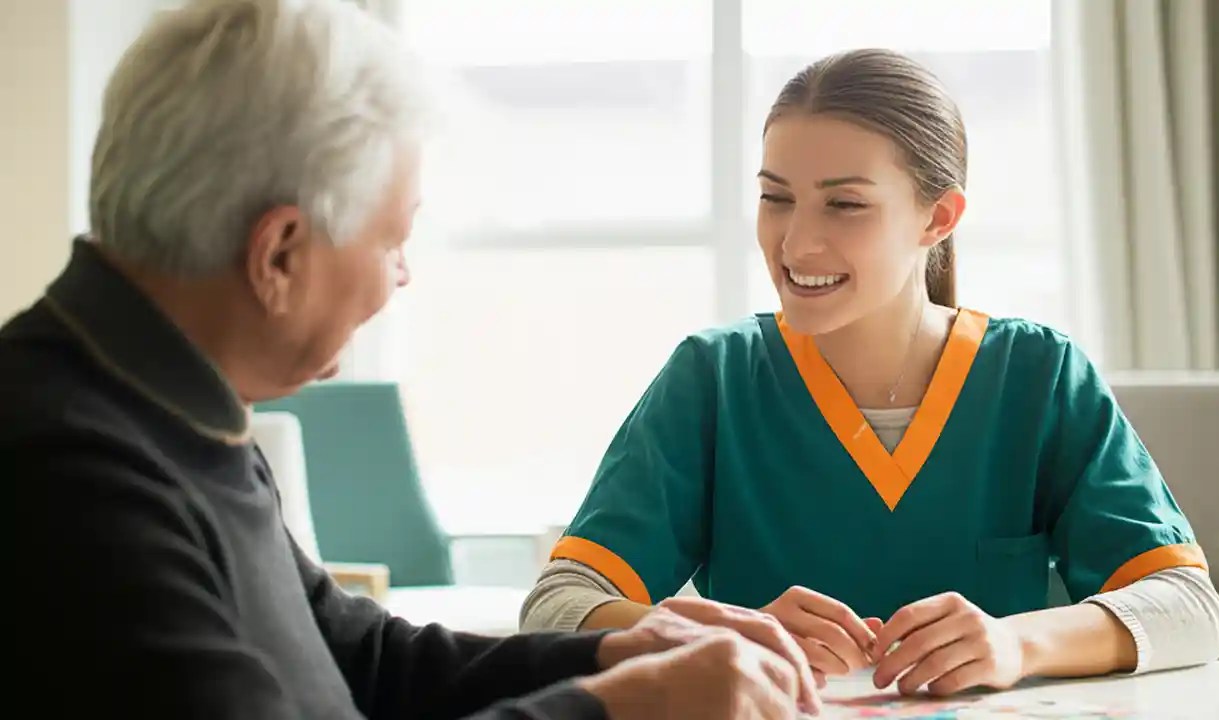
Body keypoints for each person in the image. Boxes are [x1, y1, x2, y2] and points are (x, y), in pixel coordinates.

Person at [3, 1, 826, 718]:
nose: (402, 276)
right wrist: (619, 709)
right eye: (393, 240)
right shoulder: (67, 474)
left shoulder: (163, 402)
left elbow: (363, 660)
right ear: (279, 254)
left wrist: (619, 654)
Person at [521, 49, 1219, 696]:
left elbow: (1189, 607)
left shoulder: (1038, 376)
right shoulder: (713, 379)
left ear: (938, 217)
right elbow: (557, 604)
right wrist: (712, 634)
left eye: (845, 204)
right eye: (776, 198)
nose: (796, 242)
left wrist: (1015, 642)